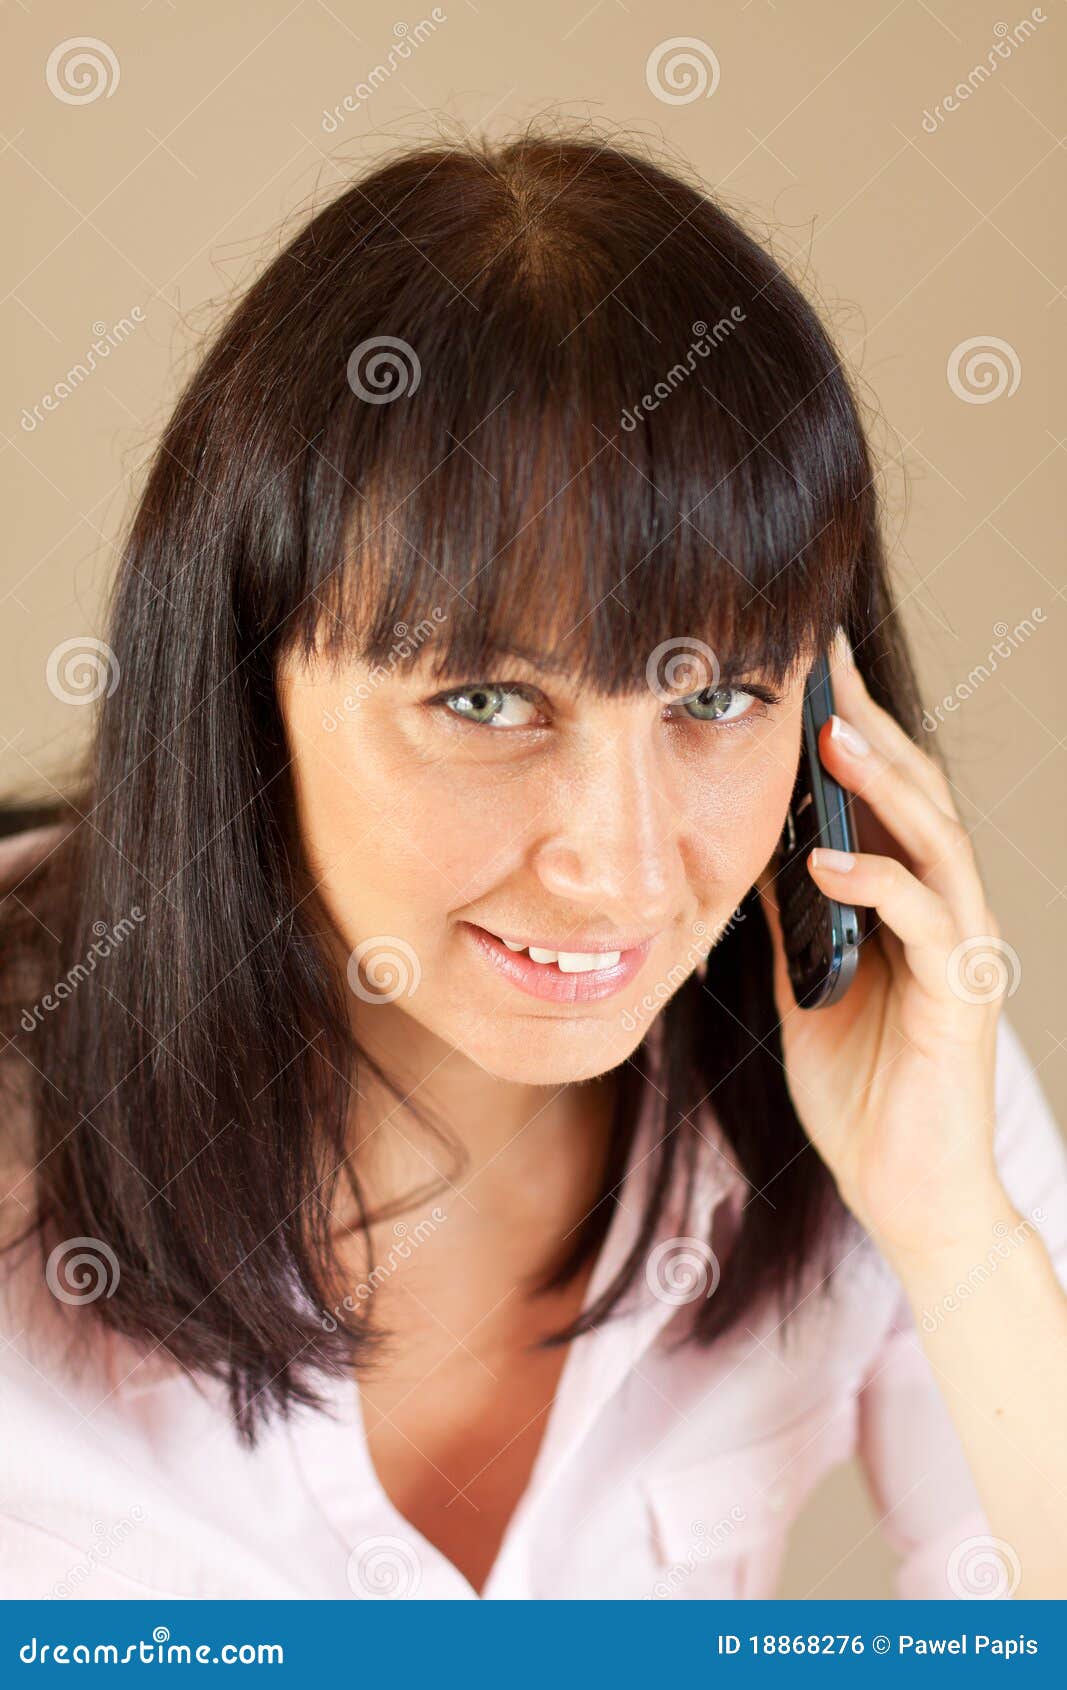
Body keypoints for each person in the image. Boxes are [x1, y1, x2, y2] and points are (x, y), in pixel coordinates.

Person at [1, 130, 1064, 1602]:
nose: (619, 869)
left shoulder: (899, 1073)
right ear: (242, 682)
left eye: (714, 699)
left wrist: (954, 1233)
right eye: (487, 701)